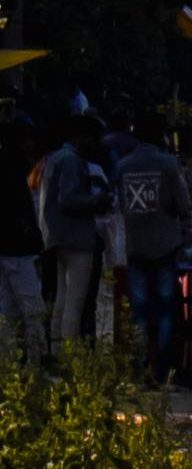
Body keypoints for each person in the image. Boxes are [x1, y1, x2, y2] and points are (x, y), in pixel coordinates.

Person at [102, 119, 192, 378]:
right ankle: (164, 370)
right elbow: (183, 204)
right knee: (166, 308)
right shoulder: (168, 164)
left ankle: (139, 366)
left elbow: (114, 201)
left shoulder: (122, 166)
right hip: (165, 244)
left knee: (139, 309)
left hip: (135, 246)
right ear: (161, 138)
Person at [33, 117, 107, 351]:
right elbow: (68, 199)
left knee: (62, 299)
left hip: (56, 236)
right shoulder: (73, 161)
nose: (95, 143)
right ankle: (70, 353)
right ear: (81, 136)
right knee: (75, 300)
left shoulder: (53, 159)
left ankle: (56, 349)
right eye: (92, 138)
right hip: (76, 238)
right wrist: (97, 200)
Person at [0, 124, 41, 361]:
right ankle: (35, 356)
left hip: (6, 245)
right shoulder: (13, 170)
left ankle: (7, 359)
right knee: (31, 305)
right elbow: (21, 207)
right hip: (18, 247)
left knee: (6, 306)